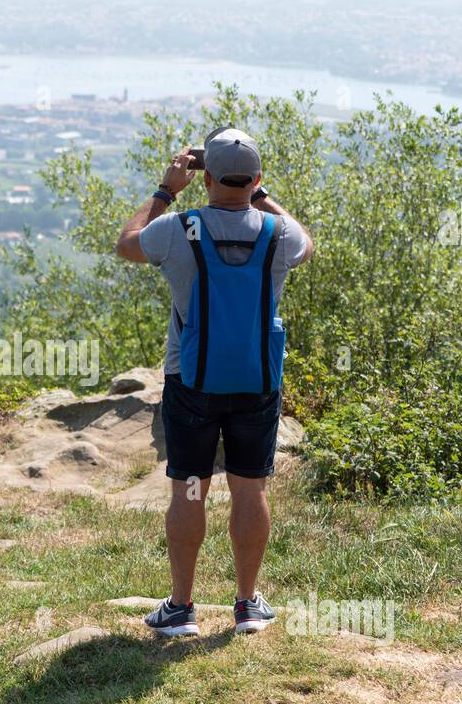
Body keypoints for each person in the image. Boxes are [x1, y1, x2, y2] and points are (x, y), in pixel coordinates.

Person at [114, 127, 313, 636]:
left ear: (204, 180)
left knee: (190, 490)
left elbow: (126, 245)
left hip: (193, 379)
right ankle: (247, 605)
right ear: (258, 180)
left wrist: (165, 191)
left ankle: (181, 608)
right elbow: (306, 240)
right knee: (251, 490)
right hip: (256, 379)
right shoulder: (280, 235)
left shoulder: (179, 228)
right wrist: (258, 195)